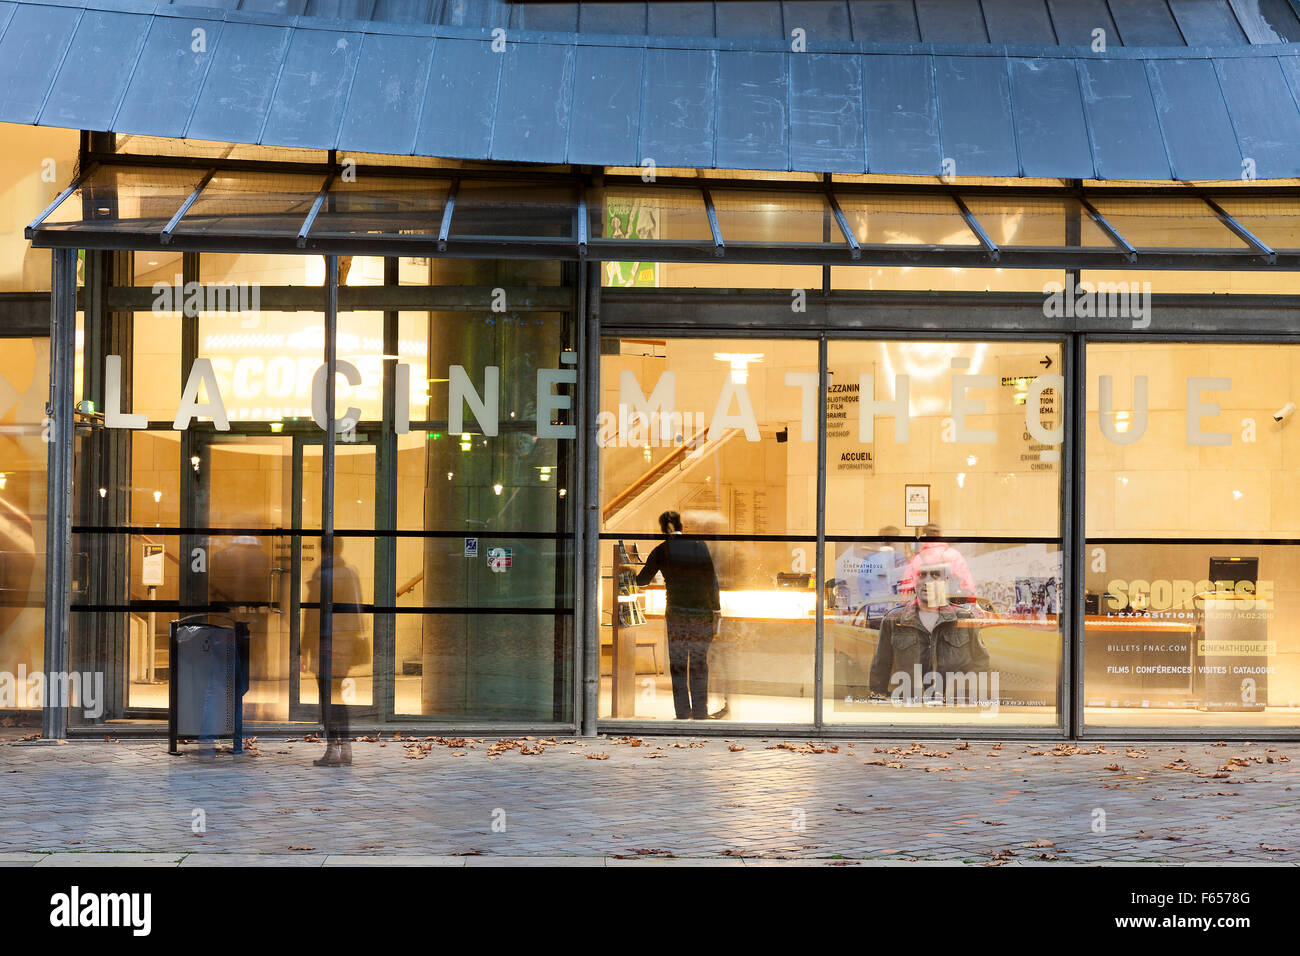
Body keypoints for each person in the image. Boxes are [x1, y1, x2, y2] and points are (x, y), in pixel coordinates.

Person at [633, 511, 721, 720]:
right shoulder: (699, 545)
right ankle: (700, 712)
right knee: (699, 662)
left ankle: (682, 712)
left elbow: (643, 580)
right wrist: (716, 609)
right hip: (701, 613)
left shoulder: (661, 550)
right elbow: (711, 580)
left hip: (677, 614)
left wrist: (628, 574)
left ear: (663, 529)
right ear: (682, 525)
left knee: (679, 663)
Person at [869, 562, 990, 703]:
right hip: (908, 709)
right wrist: (879, 703)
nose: (927, 581)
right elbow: (881, 667)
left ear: (945, 581)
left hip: (953, 708)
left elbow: (980, 663)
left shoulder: (963, 618)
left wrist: (970, 701)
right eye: (922, 575)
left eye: (935, 575)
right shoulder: (894, 620)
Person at [302, 536, 366, 766]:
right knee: (338, 695)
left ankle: (332, 749)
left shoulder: (322, 575)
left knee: (327, 697)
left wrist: (304, 649)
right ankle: (346, 748)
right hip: (346, 642)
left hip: (326, 643)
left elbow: (311, 615)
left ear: (322, 550)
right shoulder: (350, 573)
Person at [899, 523, 976, 599]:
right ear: (941, 535)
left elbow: (906, 590)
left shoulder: (916, 559)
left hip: (924, 607)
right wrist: (973, 601)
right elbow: (967, 585)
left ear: (924, 536)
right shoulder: (953, 555)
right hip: (949, 605)